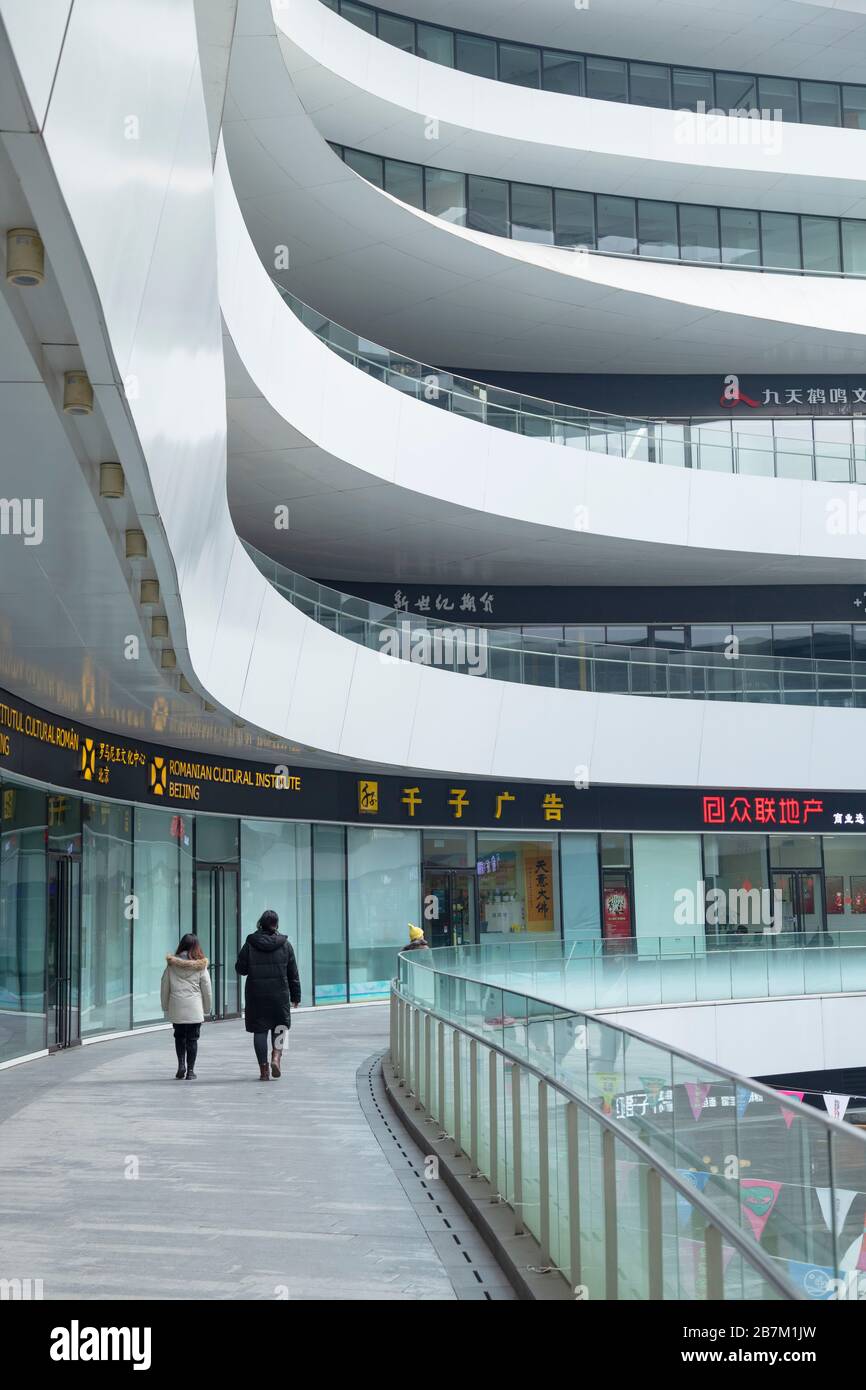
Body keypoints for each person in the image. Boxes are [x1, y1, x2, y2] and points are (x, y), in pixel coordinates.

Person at [235, 909, 301, 1081]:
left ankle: (264, 1071)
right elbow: (293, 973)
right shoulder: (285, 945)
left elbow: (240, 969)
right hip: (279, 993)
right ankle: (277, 1057)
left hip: (256, 994)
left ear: (260, 923)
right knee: (281, 1027)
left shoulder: (250, 943)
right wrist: (296, 996)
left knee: (260, 1030)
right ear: (276, 924)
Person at [160, 934, 212, 1080]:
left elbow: (165, 986)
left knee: (179, 1036)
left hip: (177, 1006)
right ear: (196, 947)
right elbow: (207, 989)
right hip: (194, 1008)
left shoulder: (171, 965)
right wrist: (207, 1008)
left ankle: (181, 1065)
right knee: (192, 1039)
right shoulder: (200, 966)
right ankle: (190, 1071)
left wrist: (165, 1006)